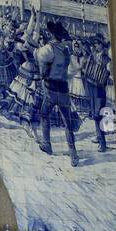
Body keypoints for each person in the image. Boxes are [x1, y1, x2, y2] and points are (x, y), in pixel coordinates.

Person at [36, 20, 79, 166]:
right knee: (68, 123)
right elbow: (72, 70)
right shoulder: (67, 49)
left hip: (51, 88)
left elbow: (40, 58)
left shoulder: (48, 48)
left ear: (52, 34)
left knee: (43, 113)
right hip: (64, 89)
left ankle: (47, 144)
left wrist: (45, 71)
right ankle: (73, 154)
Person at [80, 35, 111, 153]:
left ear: (102, 45)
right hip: (91, 87)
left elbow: (109, 72)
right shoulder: (92, 56)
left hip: (99, 89)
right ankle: (99, 137)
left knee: (99, 115)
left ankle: (103, 144)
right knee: (94, 114)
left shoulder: (107, 59)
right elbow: (85, 69)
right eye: (94, 44)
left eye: (97, 44)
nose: (95, 46)